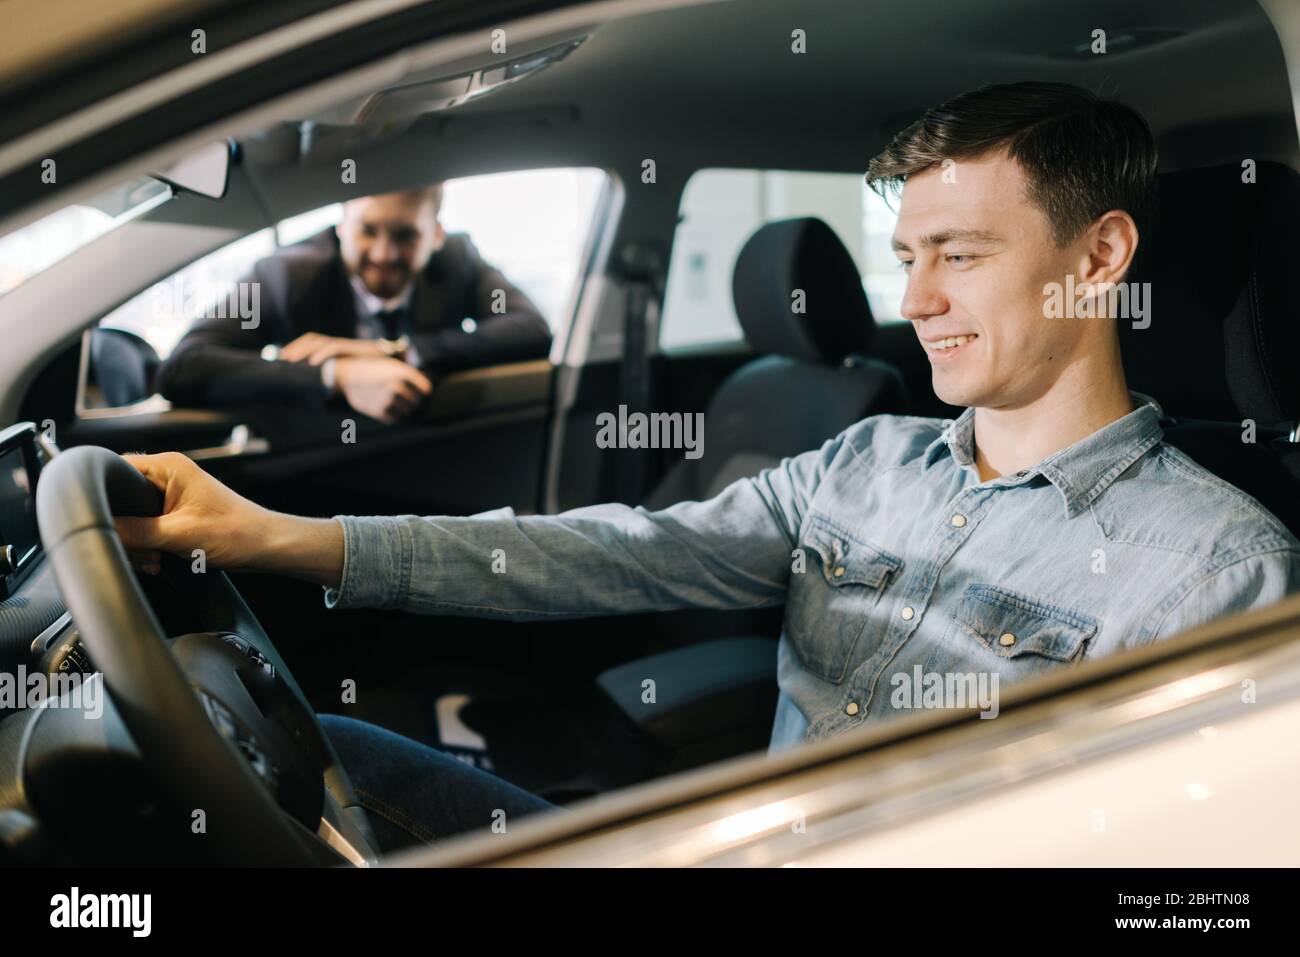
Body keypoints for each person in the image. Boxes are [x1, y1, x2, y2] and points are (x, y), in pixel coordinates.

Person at [117, 82, 1300, 852]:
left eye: (960, 253)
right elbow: (609, 551)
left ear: (1097, 260)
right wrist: (265, 533)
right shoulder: (864, 459)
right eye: (906, 256)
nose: (917, 300)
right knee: (318, 755)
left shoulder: (1216, 572)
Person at [155, 184, 551, 424]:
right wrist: (338, 376)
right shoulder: (286, 275)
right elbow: (185, 367)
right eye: (367, 231)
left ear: (435, 236)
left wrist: (395, 351)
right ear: (341, 225)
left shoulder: (457, 259)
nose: (383, 254)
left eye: (405, 236)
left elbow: (530, 329)